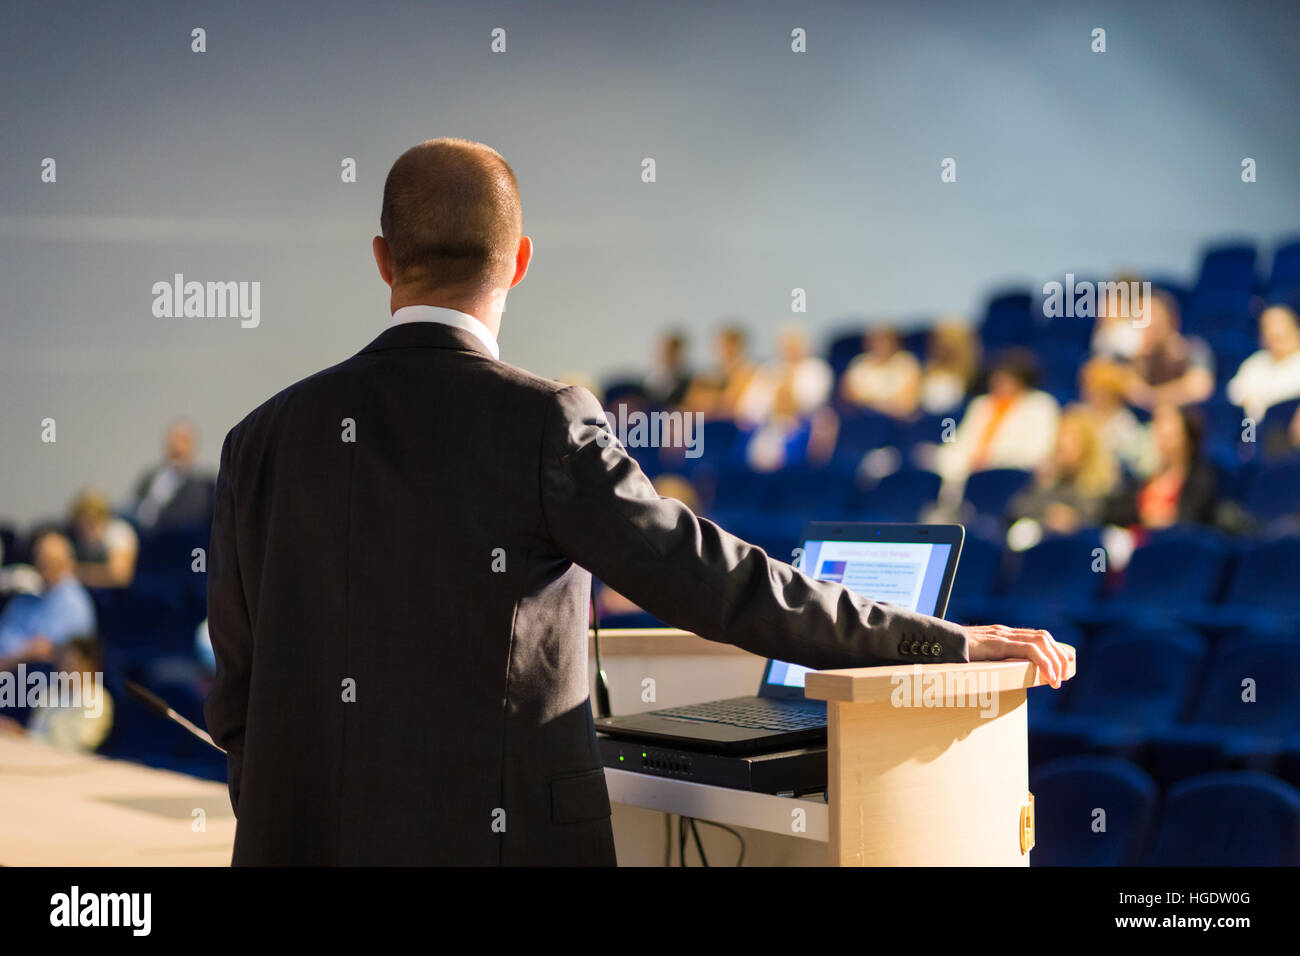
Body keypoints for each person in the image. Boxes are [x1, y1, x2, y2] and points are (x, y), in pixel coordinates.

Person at [204, 137, 1067, 867]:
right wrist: (943, 640)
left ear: (384, 259)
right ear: (520, 259)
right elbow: (718, 580)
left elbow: (236, 687)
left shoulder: (261, 437)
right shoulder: (542, 423)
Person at [933, 348, 1061, 492]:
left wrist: (990, 459)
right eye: (997, 377)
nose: (999, 383)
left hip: (1012, 478)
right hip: (969, 472)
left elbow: (1038, 452)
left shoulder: (1040, 405)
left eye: (1006, 378)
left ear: (1022, 380)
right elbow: (960, 443)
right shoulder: (981, 404)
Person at [1006, 406, 1119, 536]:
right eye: (1061, 437)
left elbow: (1101, 515)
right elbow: (1017, 510)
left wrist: (1075, 519)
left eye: (1072, 439)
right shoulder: (1049, 477)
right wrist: (1045, 488)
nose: (1062, 444)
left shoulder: (1103, 481)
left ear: (1088, 446)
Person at [1105, 404, 1218, 531]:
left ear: (1187, 438)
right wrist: (1147, 516)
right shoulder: (1147, 473)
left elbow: (1192, 518)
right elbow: (1113, 511)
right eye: (1160, 432)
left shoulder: (1200, 477)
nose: (1162, 440)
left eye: (1170, 434)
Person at [0, 532, 97, 671]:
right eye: (40, 559)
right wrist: (27, 652)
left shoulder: (74, 604)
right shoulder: (24, 599)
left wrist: (24, 654)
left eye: (52, 561)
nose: (44, 565)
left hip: (42, 683)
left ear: (67, 562)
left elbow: (53, 654)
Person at [0, 637, 114, 752]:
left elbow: (78, 745)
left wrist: (23, 735)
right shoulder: (51, 693)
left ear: (88, 665)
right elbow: (35, 730)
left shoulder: (97, 699)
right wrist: (16, 732)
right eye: (63, 661)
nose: (64, 667)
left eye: (70, 662)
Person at [1123, 290, 1214, 410]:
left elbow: (1199, 388)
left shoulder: (1194, 349)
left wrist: (1152, 397)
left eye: (1152, 315)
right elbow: (1131, 391)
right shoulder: (1137, 355)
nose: (1145, 322)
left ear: (1171, 320)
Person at [128, 419, 216, 531]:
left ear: (193, 445)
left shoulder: (205, 483)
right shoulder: (152, 476)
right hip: (148, 533)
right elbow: (134, 504)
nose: (177, 446)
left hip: (184, 535)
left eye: (183, 441)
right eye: (173, 440)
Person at [1226, 304, 1300, 422]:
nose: (1274, 330)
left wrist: (1257, 399)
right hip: (1258, 432)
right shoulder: (1256, 362)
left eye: (1280, 325)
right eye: (1268, 327)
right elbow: (1235, 392)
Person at [1079, 357, 1152, 476]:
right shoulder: (1081, 414)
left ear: (1113, 392)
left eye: (1102, 391)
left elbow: (1128, 461)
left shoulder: (1124, 421)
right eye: (1090, 388)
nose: (1094, 394)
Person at [839, 326, 922, 419]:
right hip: (864, 419)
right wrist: (884, 403)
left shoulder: (906, 363)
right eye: (875, 340)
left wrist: (870, 401)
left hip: (897, 422)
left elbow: (908, 404)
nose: (879, 345)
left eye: (884, 340)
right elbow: (849, 398)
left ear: (894, 342)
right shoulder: (859, 363)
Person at [681, 325, 758, 420]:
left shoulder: (747, 371)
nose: (725, 349)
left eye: (729, 344)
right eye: (722, 344)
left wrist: (708, 398)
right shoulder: (711, 374)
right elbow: (691, 400)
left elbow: (730, 402)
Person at [67, 488, 138, 589]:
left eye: (90, 524)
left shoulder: (118, 533)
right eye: (80, 526)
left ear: (103, 518)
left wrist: (74, 572)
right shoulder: (73, 536)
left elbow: (120, 576)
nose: (85, 531)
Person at [919, 318, 980, 414]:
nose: (942, 345)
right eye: (938, 340)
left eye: (947, 340)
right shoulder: (926, 370)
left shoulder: (975, 376)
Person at [643, 331, 693, 407]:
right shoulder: (646, 383)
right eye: (666, 351)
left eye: (673, 352)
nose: (668, 356)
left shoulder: (690, 384)